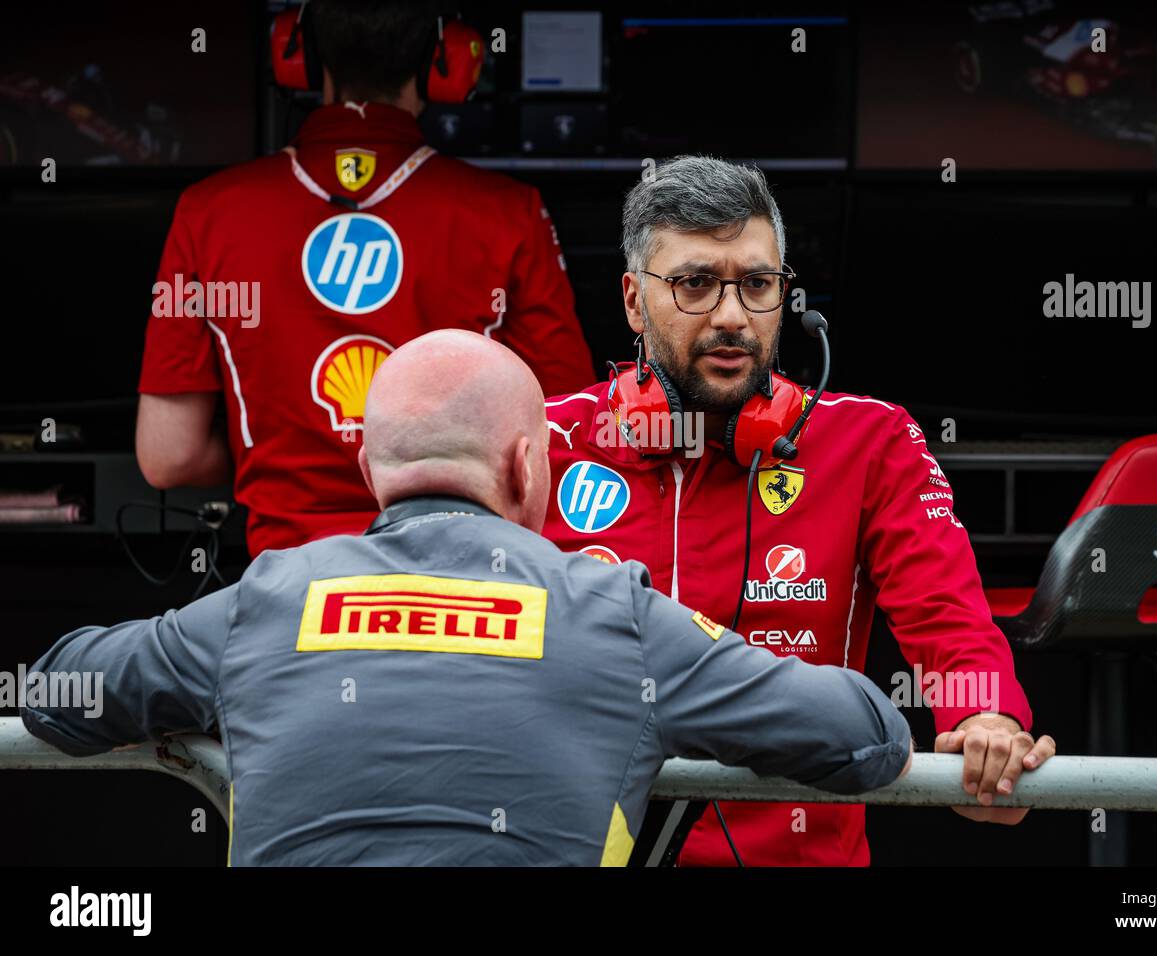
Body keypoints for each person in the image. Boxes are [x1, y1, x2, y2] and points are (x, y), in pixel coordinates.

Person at [21, 330, 914, 866]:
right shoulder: (618, 614)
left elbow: (61, 692)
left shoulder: (269, 598)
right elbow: (867, 735)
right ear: (530, 464)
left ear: (369, 470)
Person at [543, 155, 1056, 866]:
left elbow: (949, 622)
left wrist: (985, 716)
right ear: (634, 300)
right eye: (694, 284)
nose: (731, 316)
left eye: (756, 285)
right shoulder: (544, 440)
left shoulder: (869, 441)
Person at [135, 0, 594, 558]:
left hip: (288, 588)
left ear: (296, 56)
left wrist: (270, 445)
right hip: (465, 581)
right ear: (445, 61)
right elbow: (568, 426)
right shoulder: (509, 212)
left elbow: (168, 455)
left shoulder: (207, 212)